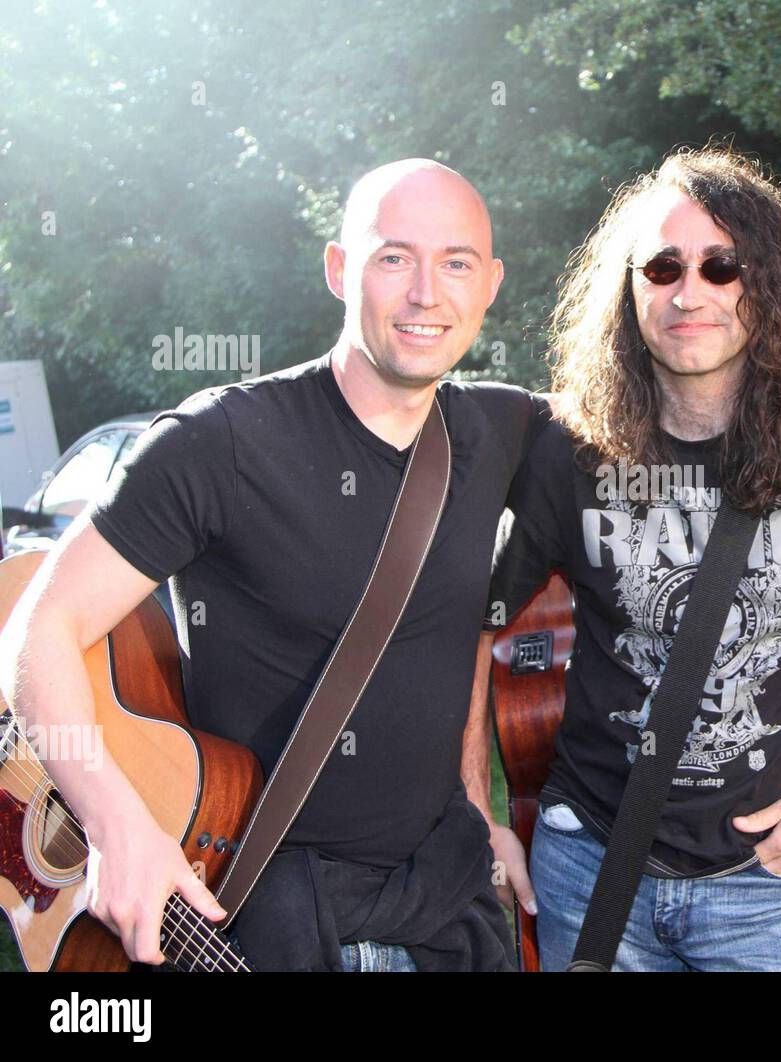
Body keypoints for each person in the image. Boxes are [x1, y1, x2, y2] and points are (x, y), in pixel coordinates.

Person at [0, 159, 549, 971]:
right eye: (394, 257)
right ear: (339, 269)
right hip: (260, 915)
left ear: (491, 282)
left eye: (456, 262)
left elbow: (677, 410)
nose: (427, 292)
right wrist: (116, 826)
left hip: (443, 912)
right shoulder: (220, 443)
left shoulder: (503, 432)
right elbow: (36, 630)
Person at [466, 148, 781, 971]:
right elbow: (465, 632)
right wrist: (473, 813)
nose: (688, 292)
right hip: (591, 866)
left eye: (721, 266)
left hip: (767, 885)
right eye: (662, 266)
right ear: (629, 289)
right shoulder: (570, 450)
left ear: (763, 284)